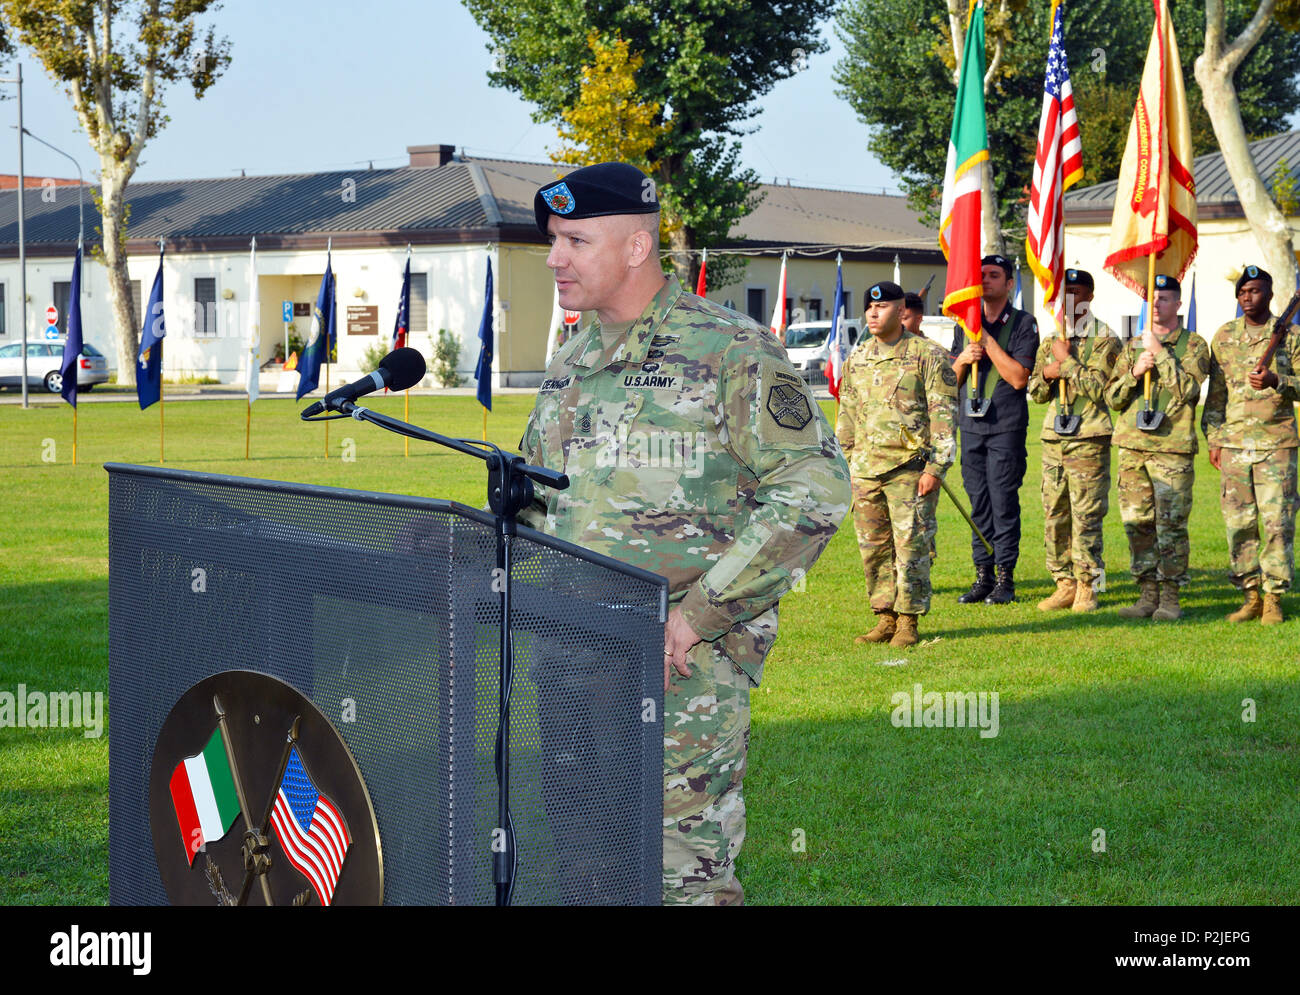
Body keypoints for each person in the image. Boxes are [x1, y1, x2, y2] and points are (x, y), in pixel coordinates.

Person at [518, 161, 851, 905]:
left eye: (575, 240)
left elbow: (816, 490)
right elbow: (546, 500)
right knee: (589, 869)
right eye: (552, 240)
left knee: (680, 876)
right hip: (571, 659)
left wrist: (697, 616)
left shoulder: (728, 349)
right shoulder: (573, 357)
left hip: (680, 668)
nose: (554, 258)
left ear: (638, 248)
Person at [836, 281, 958, 647]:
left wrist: (936, 469)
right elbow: (847, 417)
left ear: (902, 310)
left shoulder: (928, 355)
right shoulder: (857, 358)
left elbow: (944, 417)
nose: (874, 313)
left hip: (909, 469)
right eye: (869, 308)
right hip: (865, 470)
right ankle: (884, 616)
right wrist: (847, 464)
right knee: (873, 548)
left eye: (883, 307)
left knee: (912, 547)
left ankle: (908, 620)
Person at [1103, 274, 1210, 621]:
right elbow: (1112, 398)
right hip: (1133, 448)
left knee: (1171, 526)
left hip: (1171, 450)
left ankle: (1171, 599)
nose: (1158, 304)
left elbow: (1188, 391)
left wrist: (1161, 354)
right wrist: (1134, 371)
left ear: (1178, 305)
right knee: (1137, 524)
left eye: (1165, 298)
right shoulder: (1132, 344)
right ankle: (1147, 594)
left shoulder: (1194, 345)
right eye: (1154, 298)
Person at [1202, 265, 1300, 624]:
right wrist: (1214, 438)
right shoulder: (1224, 336)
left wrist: (1278, 379)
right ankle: (1251, 595)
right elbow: (1215, 394)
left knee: (1278, 523)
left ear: (1270, 295)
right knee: (1239, 523)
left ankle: (1274, 597)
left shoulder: (1291, 336)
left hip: (1276, 443)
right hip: (1234, 443)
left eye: (1255, 291)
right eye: (1243, 292)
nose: (1247, 297)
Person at [1026, 268, 1120, 612]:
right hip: (1054, 438)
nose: (1071, 299)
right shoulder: (1052, 340)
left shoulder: (1106, 339)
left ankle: (1090, 585)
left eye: (1078, 292)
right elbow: (1035, 391)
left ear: (1090, 296)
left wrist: (1067, 364)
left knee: (1087, 515)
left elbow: (1102, 390)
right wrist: (1049, 373)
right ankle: (1064, 582)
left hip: (1089, 437)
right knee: (1055, 514)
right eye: (1065, 293)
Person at [950, 254, 1039, 604]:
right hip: (971, 427)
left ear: (1009, 283)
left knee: (1003, 503)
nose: (986, 280)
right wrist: (962, 358)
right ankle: (982, 576)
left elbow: (1018, 378)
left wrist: (988, 343)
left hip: (1004, 427)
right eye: (982, 274)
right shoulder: (965, 325)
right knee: (978, 505)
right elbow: (950, 382)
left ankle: (1005, 578)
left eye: (994, 275)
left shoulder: (1022, 323)